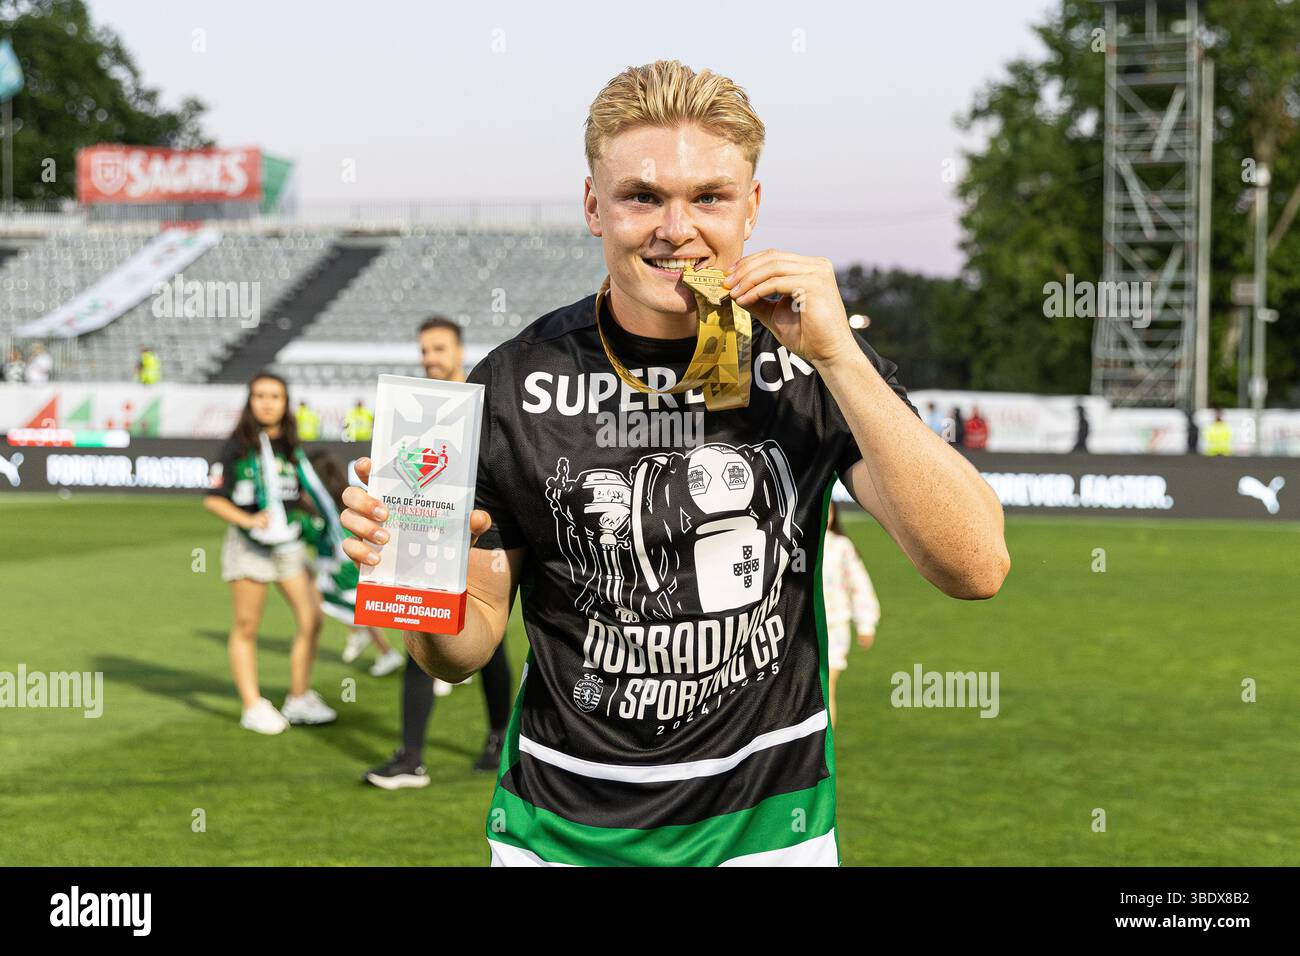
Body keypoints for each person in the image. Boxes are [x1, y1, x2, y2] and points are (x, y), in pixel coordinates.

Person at [342, 61, 1008, 866]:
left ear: (751, 207)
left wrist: (840, 358)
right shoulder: (515, 382)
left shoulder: (809, 360)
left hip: (771, 835)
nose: (676, 228)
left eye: (710, 197)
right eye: (643, 196)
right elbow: (465, 651)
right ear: (595, 205)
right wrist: (423, 588)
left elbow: (976, 567)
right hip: (560, 836)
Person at [362, 315, 515, 789]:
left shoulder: (483, 399)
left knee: (491, 644)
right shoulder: (412, 409)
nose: (431, 358)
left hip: (486, 531)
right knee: (420, 630)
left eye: (439, 349)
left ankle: (495, 738)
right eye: (425, 350)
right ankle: (412, 756)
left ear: (459, 351)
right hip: (428, 534)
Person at [202, 371, 339, 734]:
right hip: (250, 547)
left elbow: (299, 494)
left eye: (275, 396)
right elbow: (213, 500)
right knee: (247, 626)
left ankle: (298, 697)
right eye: (260, 395)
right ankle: (252, 705)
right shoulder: (236, 447)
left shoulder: (291, 446)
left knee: (312, 619)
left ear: (285, 403)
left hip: (289, 545)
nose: (267, 402)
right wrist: (248, 522)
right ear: (250, 401)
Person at [302, 451, 403, 677]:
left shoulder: (330, 509)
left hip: (345, 567)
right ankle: (360, 635)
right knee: (338, 602)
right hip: (342, 564)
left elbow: (317, 533)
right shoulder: (343, 501)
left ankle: (386, 652)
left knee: (357, 609)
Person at [822, 504, 879, 730]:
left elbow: (859, 584)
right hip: (800, 627)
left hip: (835, 625)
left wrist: (866, 623)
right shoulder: (793, 542)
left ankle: (822, 751)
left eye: (829, 511)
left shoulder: (841, 547)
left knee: (827, 686)